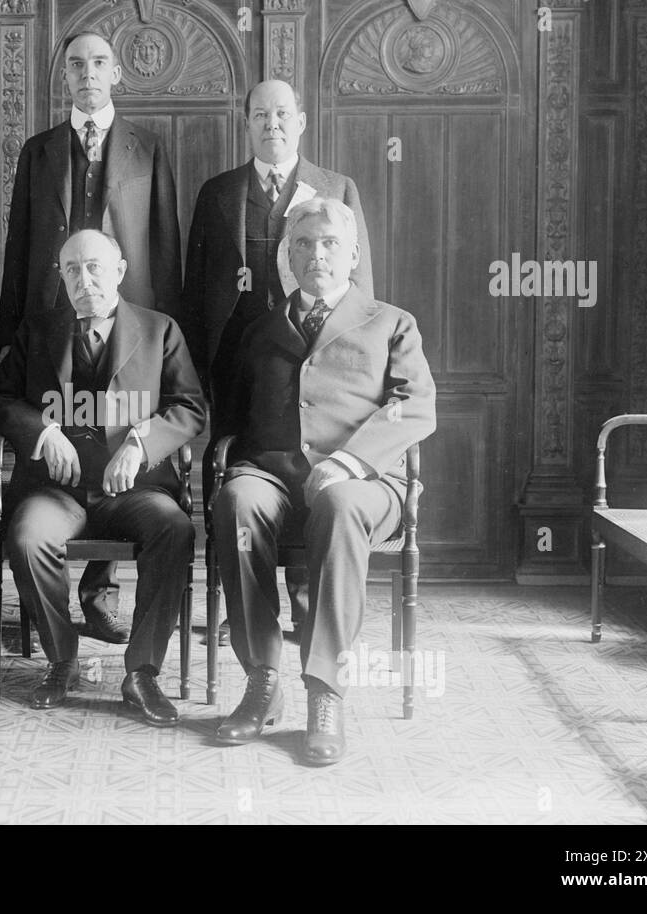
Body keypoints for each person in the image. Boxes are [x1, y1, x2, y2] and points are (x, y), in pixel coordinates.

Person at [211, 198, 434, 766]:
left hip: (365, 483)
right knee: (237, 502)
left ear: (354, 254)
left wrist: (351, 461)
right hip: (274, 477)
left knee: (336, 505)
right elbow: (233, 417)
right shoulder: (261, 327)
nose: (317, 254)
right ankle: (263, 678)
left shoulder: (391, 321)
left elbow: (417, 407)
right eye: (305, 243)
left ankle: (325, 691)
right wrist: (235, 459)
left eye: (331, 243)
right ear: (289, 255)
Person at [0, 32, 182, 642]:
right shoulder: (40, 149)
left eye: (99, 63)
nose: (88, 74)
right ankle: (45, 619)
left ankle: (101, 594)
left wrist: (158, 322)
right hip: (53, 316)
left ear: (117, 73)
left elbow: (163, 241)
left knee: (116, 443)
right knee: (63, 450)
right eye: (76, 65)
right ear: (65, 76)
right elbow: (20, 240)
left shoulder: (146, 147)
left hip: (126, 318)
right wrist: (11, 324)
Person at [0, 230, 205, 726]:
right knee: (26, 535)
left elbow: (190, 408)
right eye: (73, 270)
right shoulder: (37, 331)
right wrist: (42, 431)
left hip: (135, 490)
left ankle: (141, 673)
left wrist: (141, 441)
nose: (85, 280)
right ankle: (61, 660)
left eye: (96, 268)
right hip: (57, 491)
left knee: (176, 529)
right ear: (61, 277)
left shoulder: (159, 329)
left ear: (120, 271)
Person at [182, 78, 375, 646]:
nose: (272, 124)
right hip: (239, 359)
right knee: (243, 473)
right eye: (261, 114)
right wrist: (198, 360)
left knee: (308, 460)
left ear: (302, 120)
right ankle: (242, 602)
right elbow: (196, 290)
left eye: (282, 113)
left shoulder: (335, 187)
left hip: (314, 352)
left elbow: (359, 285)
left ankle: (306, 601)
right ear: (247, 123)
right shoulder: (219, 192)